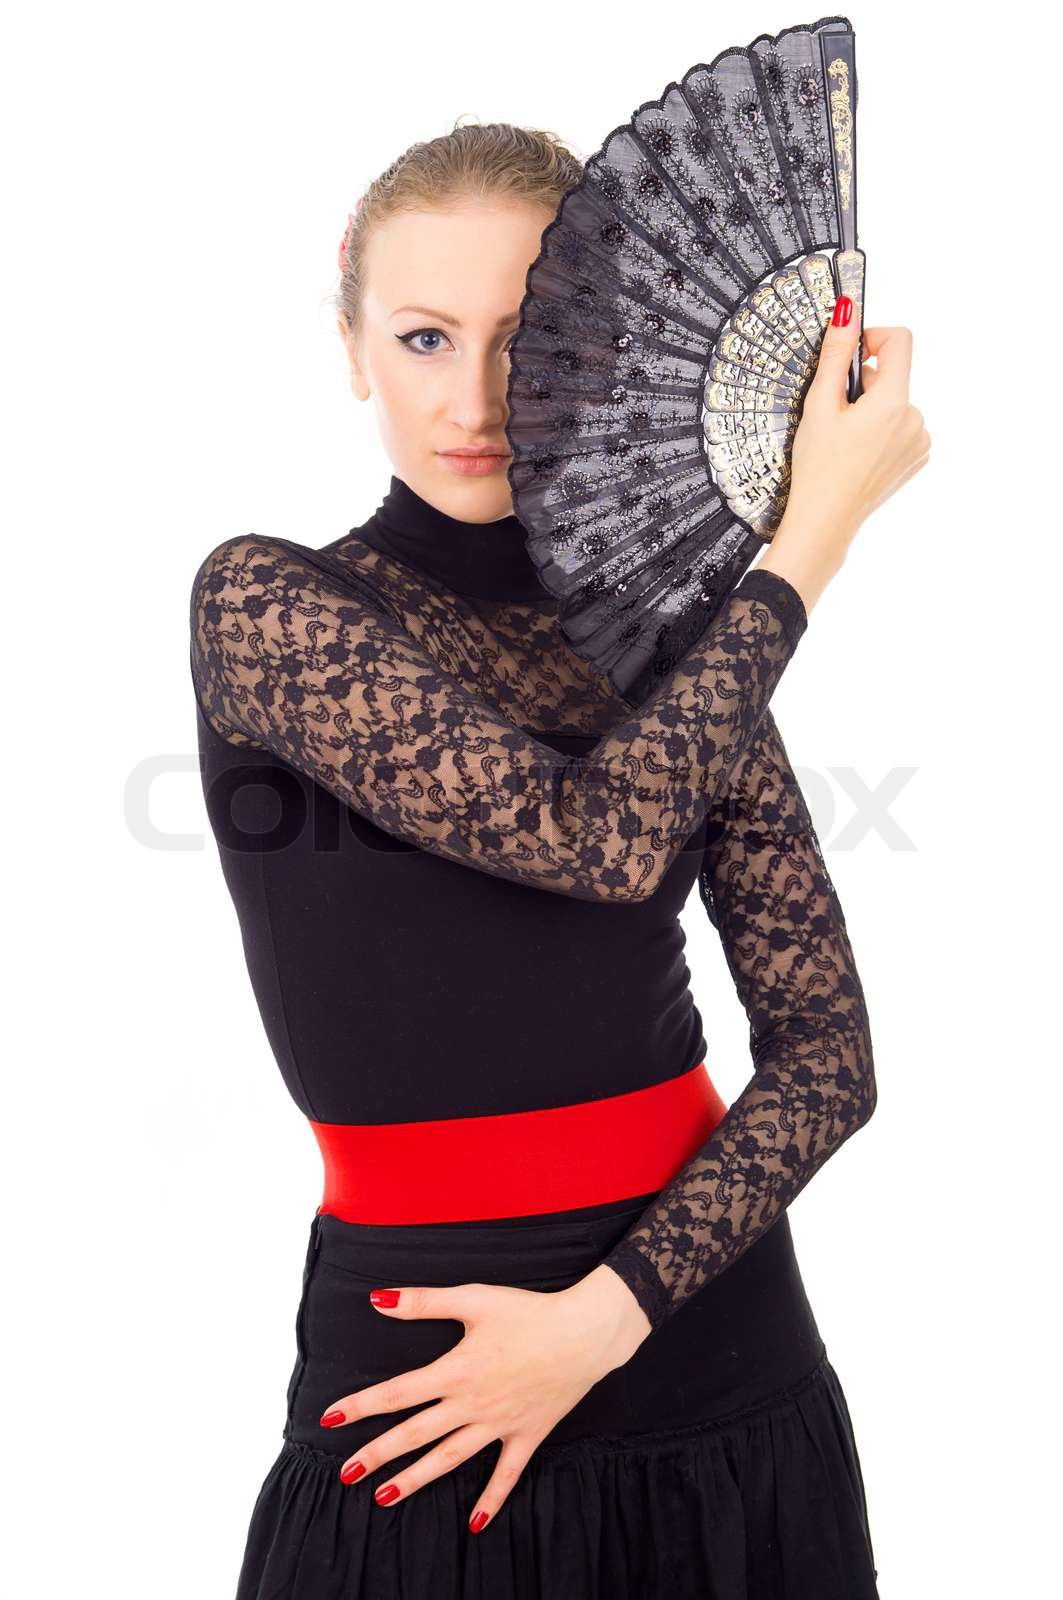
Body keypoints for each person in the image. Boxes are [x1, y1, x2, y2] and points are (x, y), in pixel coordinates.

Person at [189, 122, 929, 1599]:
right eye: (424, 337)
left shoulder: (676, 641)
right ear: (353, 348)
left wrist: (606, 1318)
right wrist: (808, 542)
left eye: (528, 343)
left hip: (716, 1362)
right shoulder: (269, 605)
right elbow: (587, 840)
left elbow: (829, 1059)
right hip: (422, 1398)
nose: (473, 400)